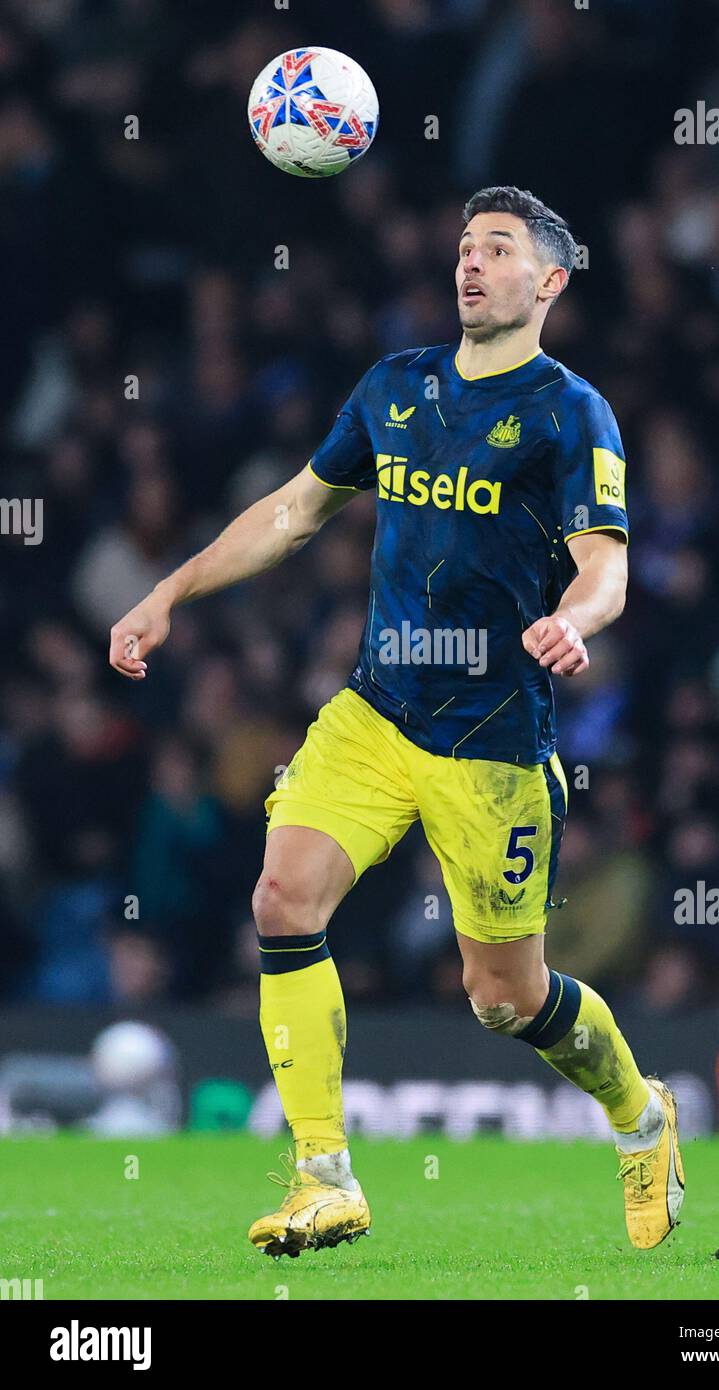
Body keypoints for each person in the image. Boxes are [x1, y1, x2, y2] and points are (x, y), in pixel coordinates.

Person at [109, 186, 684, 1257]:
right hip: (376, 712)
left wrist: (572, 620)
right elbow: (294, 510)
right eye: (464, 246)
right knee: (282, 897)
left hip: (492, 741)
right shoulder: (394, 386)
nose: (470, 263)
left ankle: (639, 1112)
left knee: (503, 998)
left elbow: (605, 566)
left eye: (498, 249)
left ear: (549, 281)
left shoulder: (571, 412)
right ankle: (323, 1176)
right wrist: (169, 590)